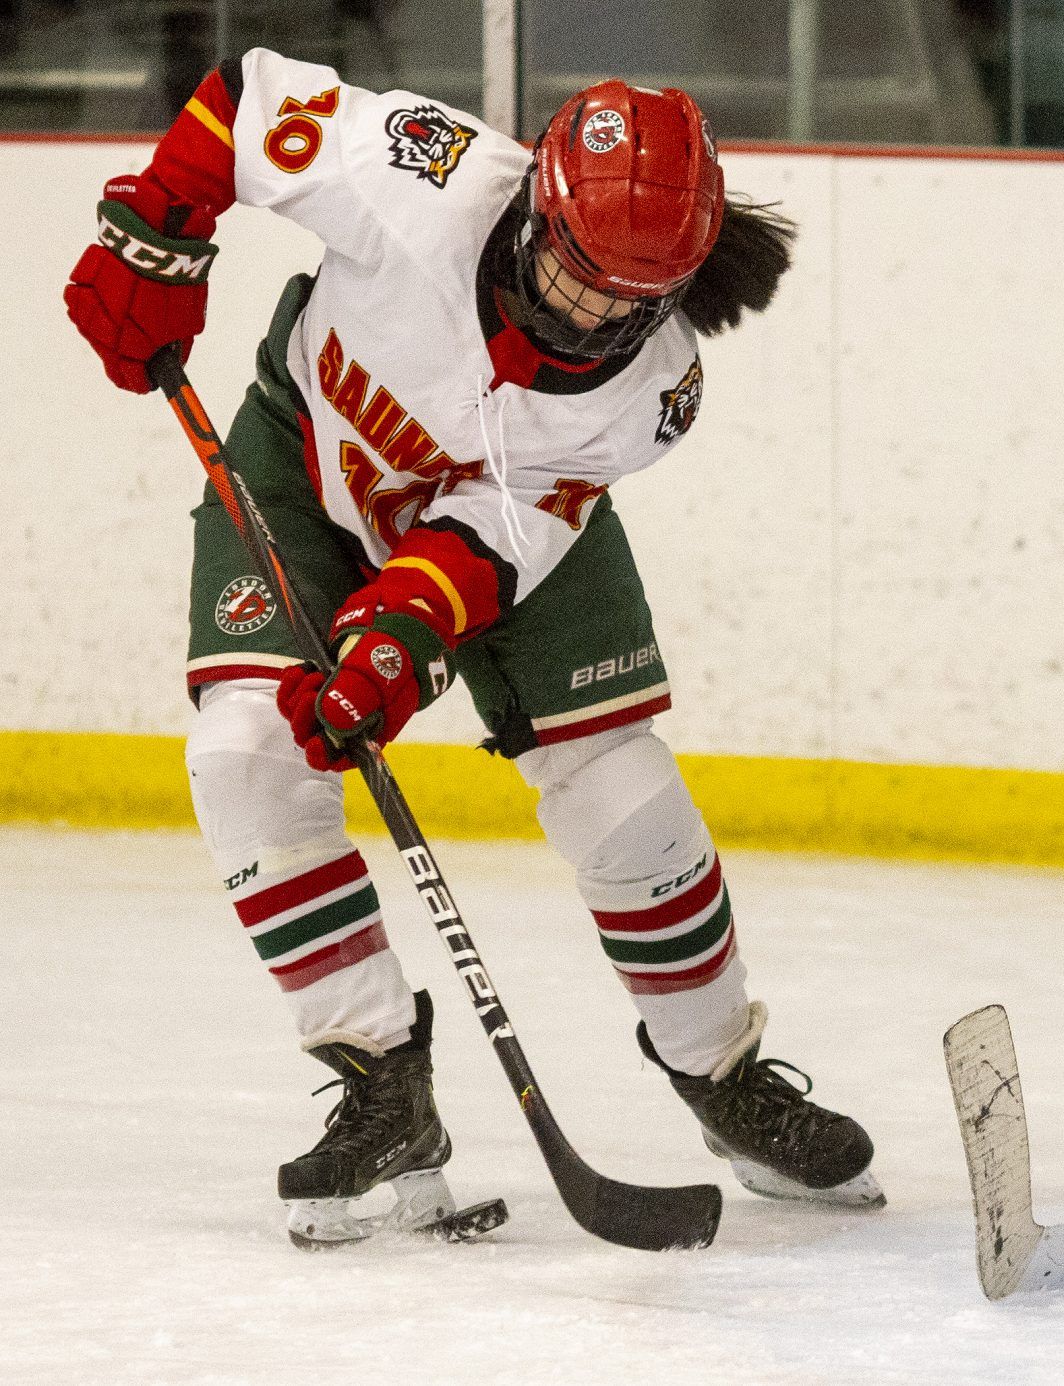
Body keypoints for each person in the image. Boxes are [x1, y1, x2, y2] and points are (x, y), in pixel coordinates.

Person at [64, 49, 877, 1244]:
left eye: (627, 302)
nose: (590, 315)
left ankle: (721, 1072)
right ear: (535, 209)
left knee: (622, 795)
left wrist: (399, 637)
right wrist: (157, 242)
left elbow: (504, 527)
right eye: (573, 276)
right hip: (303, 468)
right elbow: (243, 102)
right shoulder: (421, 177)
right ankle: (380, 1082)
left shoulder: (653, 393)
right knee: (244, 754)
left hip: (512, 531)